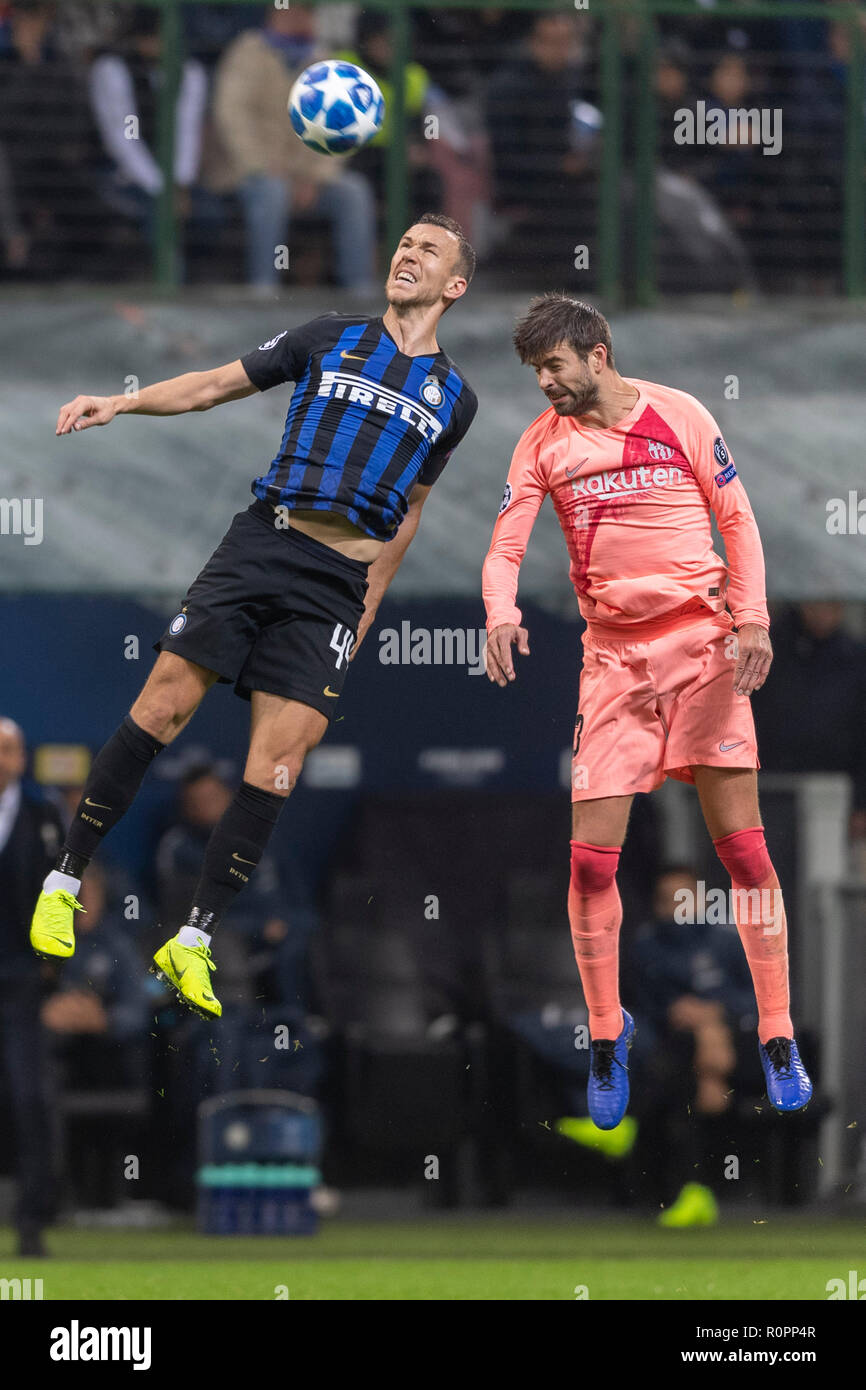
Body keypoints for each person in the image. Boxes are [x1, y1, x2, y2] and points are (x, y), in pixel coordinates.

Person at [29, 213, 478, 1024]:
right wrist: (120, 402)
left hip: (337, 585)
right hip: (263, 546)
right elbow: (211, 385)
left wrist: (370, 600)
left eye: (428, 250)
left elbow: (409, 512)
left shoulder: (456, 398)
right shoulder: (326, 337)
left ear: (456, 285)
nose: (408, 254)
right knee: (164, 703)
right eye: (403, 243)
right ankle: (64, 877)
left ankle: (192, 938)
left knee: (279, 765)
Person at [482, 292, 812, 1131]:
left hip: (703, 649)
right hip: (616, 663)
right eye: (535, 372)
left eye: (554, 366)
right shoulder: (543, 443)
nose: (545, 383)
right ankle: (605, 1033)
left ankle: (776, 1031)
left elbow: (736, 520)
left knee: (743, 854)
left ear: (598, 353)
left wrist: (755, 620)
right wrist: (500, 612)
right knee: (592, 866)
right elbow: (508, 543)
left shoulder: (682, 414)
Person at [211, 2, 376, 293]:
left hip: (306, 180)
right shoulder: (248, 52)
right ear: (278, 12)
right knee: (271, 191)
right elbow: (232, 117)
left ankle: (359, 292)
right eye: (299, 9)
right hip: (250, 173)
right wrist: (265, 166)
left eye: (309, 11)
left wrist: (314, 176)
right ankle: (263, 288)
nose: (307, 17)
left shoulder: (320, 59)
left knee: (354, 192)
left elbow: (339, 128)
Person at [628, 865, 757, 1227]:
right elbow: (641, 1007)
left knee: (698, 1048)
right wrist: (682, 1015)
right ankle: (693, 1191)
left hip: (735, 1048)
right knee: (676, 1070)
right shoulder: (645, 946)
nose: (676, 907)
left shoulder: (729, 941)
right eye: (667, 900)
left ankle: (690, 1190)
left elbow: (760, 1000)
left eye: (683, 898)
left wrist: (713, 1015)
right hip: (672, 1053)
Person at [0, 716, 64, 1255]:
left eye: (9, 750)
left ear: (21, 758)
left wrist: (55, 970)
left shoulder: (45, 819)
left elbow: (64, 904)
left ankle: (33, 1219)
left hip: (21, 982)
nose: (1, 759)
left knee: (28, 1096)